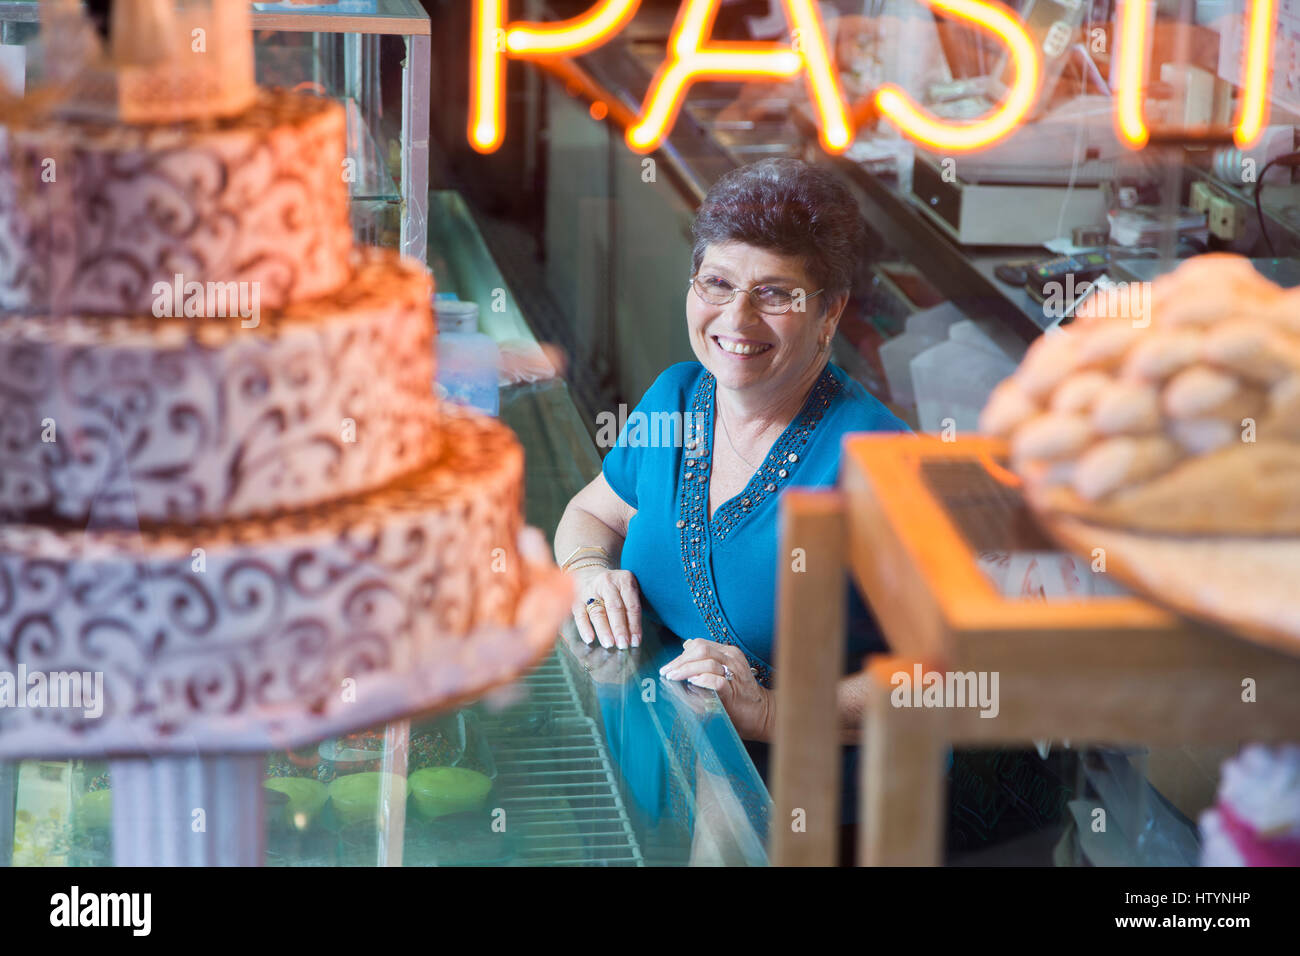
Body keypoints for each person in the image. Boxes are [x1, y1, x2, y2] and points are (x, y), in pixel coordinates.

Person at [553, 158, 910, 860]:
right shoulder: (677, 397)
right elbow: (591, 513)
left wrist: (772, 712)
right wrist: (590, 572)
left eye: (775, 294)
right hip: (661, 769)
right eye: (717, 284)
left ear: (829, 310)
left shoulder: (877, 461)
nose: (736, 320)